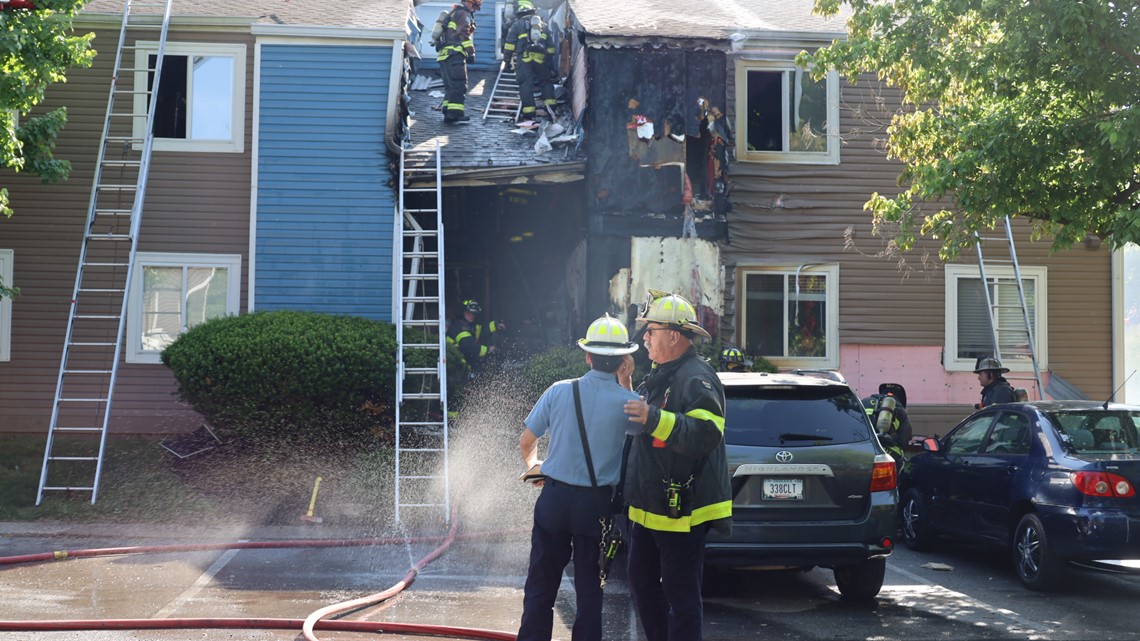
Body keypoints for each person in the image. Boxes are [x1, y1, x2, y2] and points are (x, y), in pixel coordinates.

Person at [516, 313, 640, 641]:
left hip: (553, 499)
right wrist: (626, 382)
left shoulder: (559, 392)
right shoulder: (630, 403)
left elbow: (527, 442)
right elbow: (638, 429)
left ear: (587, 356)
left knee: (541, 586)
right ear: (622, 361)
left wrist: (536, 469)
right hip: (594, 507)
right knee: (590, 592)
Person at [622, 290, 732, 641]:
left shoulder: (696, 377)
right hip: (649, 507)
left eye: (650, 330)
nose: (645, 338)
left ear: (673, 336)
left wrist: (653, 417)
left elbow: (705, 434)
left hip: (681, 513)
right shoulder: (663, 373)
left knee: (681, 596)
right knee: (641, 583)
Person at [503, 9, 557, 122]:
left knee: (525, 84)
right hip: (541, 58)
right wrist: (550, 63)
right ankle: (551, 109)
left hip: (525, 58)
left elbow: (509, 45)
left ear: (520, 15)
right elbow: (551, 47)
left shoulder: (517, 25)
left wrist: (507, 62)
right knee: (545, 82)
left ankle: (529, 113)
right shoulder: (543, 25)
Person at [436, 0, 481, 124]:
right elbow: (463, 32)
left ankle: (447, 112)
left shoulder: (452, 13)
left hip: (444, 55)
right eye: (475, 8)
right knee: (459, 84)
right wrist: (470, 52)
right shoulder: (463, 14)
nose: (475, 11)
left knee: (450, 86)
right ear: (470, 4)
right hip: (455, 54)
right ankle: (455, 114)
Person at [446, 298, 502, 373]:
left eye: (473, 314)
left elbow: (480, 330)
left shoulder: (468, 325)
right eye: (468, 313)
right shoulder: (459, 328)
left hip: (463, 363)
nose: (471, 316)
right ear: (463, 313)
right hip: (457, 366)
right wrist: (488, 350)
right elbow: (470, 347)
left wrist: (495, 326)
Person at [863, 383, 912, 464]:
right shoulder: (900, 410)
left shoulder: (864, 402)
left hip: (862, 448)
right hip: (887, 454)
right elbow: (904, 440)